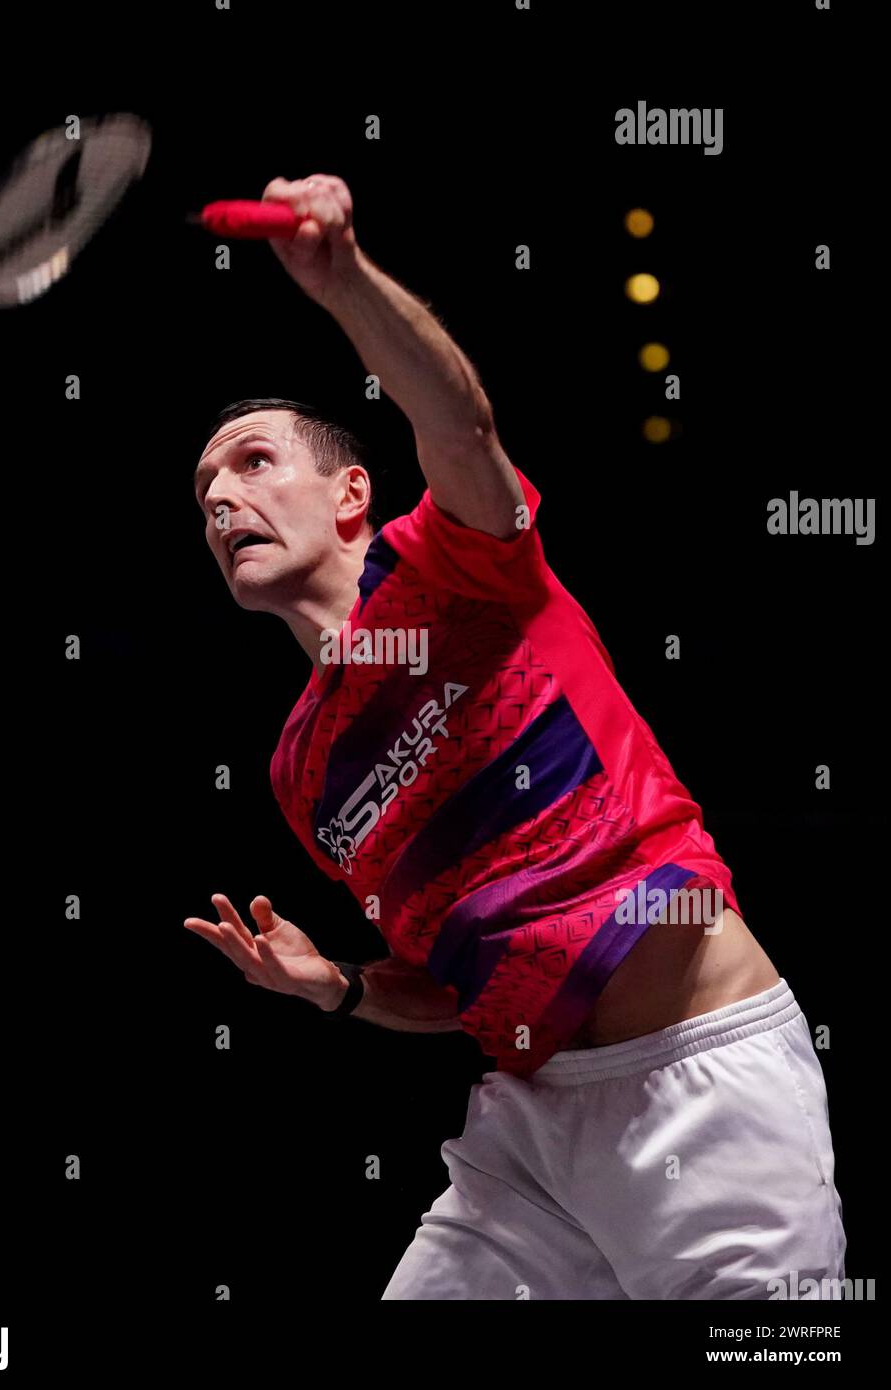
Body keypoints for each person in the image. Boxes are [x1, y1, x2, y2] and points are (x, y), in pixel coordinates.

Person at [184, 174, 846, 1299]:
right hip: (527, 1134)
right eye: (203, 493)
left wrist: (343, 282)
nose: (220, 501)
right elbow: (446, 985)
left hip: (702, 1075)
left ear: (350, 494)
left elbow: (460, 421)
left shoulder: (451, 562)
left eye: (251, 463)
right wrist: (337, 985)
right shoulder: (301, 772)